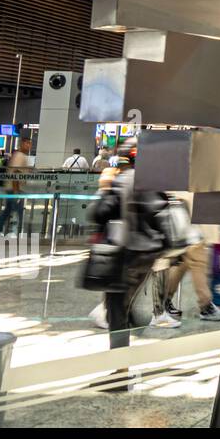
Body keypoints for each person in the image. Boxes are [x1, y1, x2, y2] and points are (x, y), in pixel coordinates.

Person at [89, 138, 178, 358]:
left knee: (116, 310)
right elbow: (163, 217)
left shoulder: (121, 181)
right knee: (124, 303)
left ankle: (119, 366)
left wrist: (104, 189)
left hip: (125, 255)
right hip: (148, 256)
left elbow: (98, 213)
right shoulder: (153, 183)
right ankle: (132, 323)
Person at [161, 218, 220, 323]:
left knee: (185, 262)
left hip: (189, 224)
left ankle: (163, 301)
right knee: (198, 260)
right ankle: (205, 306)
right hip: (193, 223)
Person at [0, 140, 32, 234]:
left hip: (13, 188)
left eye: (30, 144)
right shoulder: (19, 156)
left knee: (8, 210)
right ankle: (23, 232)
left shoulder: (19, 155)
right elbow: (15, 172)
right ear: (21, 144)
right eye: (27, 143)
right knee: (20, 211)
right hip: (14, 189)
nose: (29, 146)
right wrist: (16, 190)